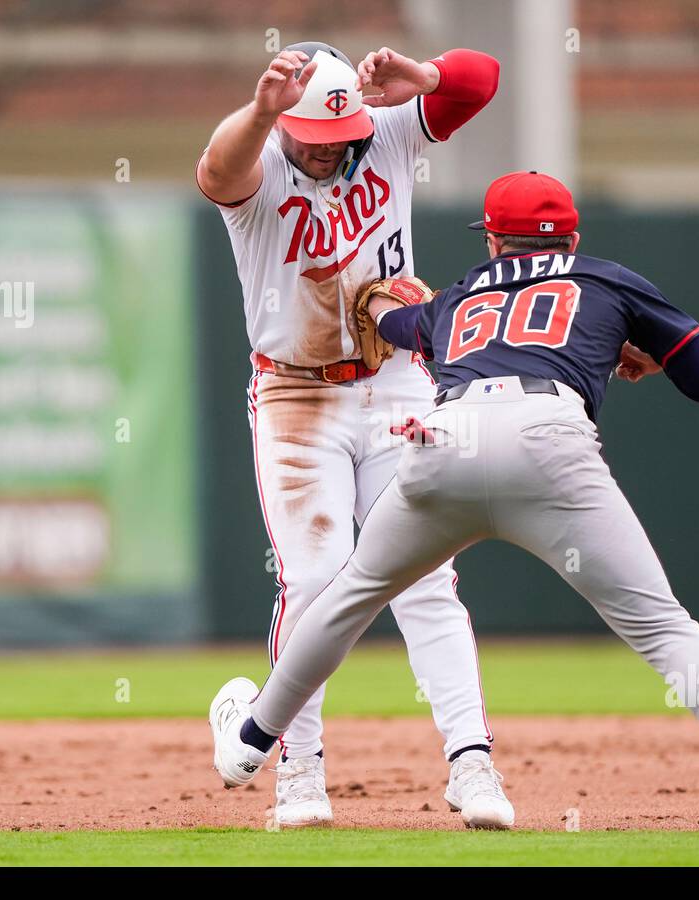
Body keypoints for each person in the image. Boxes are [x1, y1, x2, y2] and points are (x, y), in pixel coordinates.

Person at [210, 171, 699, 831]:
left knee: (349, 593)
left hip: (446, 439)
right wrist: (642, 347)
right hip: (546, 442)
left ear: (495, 241)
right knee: (663, 628)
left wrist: (379, 305)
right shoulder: (606, 278)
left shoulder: (462, 293)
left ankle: (251, 743)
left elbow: (395, 320)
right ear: (573, 235)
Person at [196, 41, 514, 828]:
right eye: (311, 135)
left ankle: (472, 764)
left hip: (398, 379)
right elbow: (214, 172)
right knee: (314, 581)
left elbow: (485, 81)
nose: (328, 148)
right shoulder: (263, 159)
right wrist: (264, 112)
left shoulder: (386, 132)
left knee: (426, 578)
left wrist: (429, 78)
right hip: (296, 393)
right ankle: (300, 773)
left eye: (341, 136)